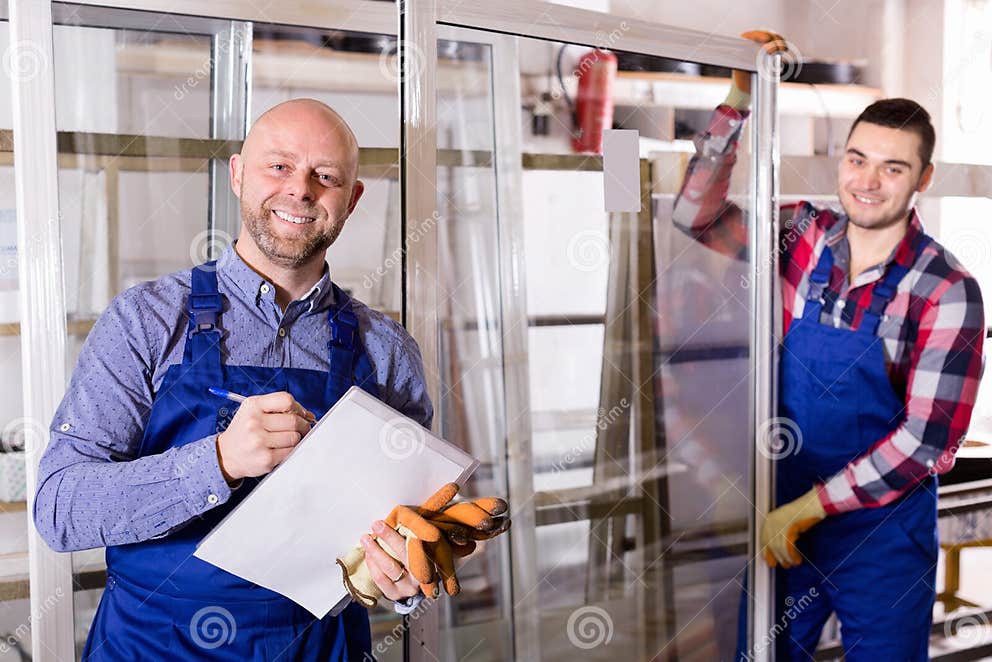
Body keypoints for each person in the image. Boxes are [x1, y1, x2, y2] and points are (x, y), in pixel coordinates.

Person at [34, 99, 431, 661]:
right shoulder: (144, 322)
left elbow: (406, 534)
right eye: (279, 166)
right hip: (153, 649)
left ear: (353, 199)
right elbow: (60, 509)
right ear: (239, 173)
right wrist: (217, 461)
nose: (300, 190)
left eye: (326, 176)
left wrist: (405, 577)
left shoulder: (388, 354)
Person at [673, 31, 986, 660]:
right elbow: (694, 214)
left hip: (881, 537)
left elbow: (927, 441)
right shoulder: (801, 235)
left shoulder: (949, 290)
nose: (868, 181)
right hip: (782, 510)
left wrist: (809, 509)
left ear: (922, 177)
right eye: (857, 159)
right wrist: (739, 95)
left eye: (892, 167)